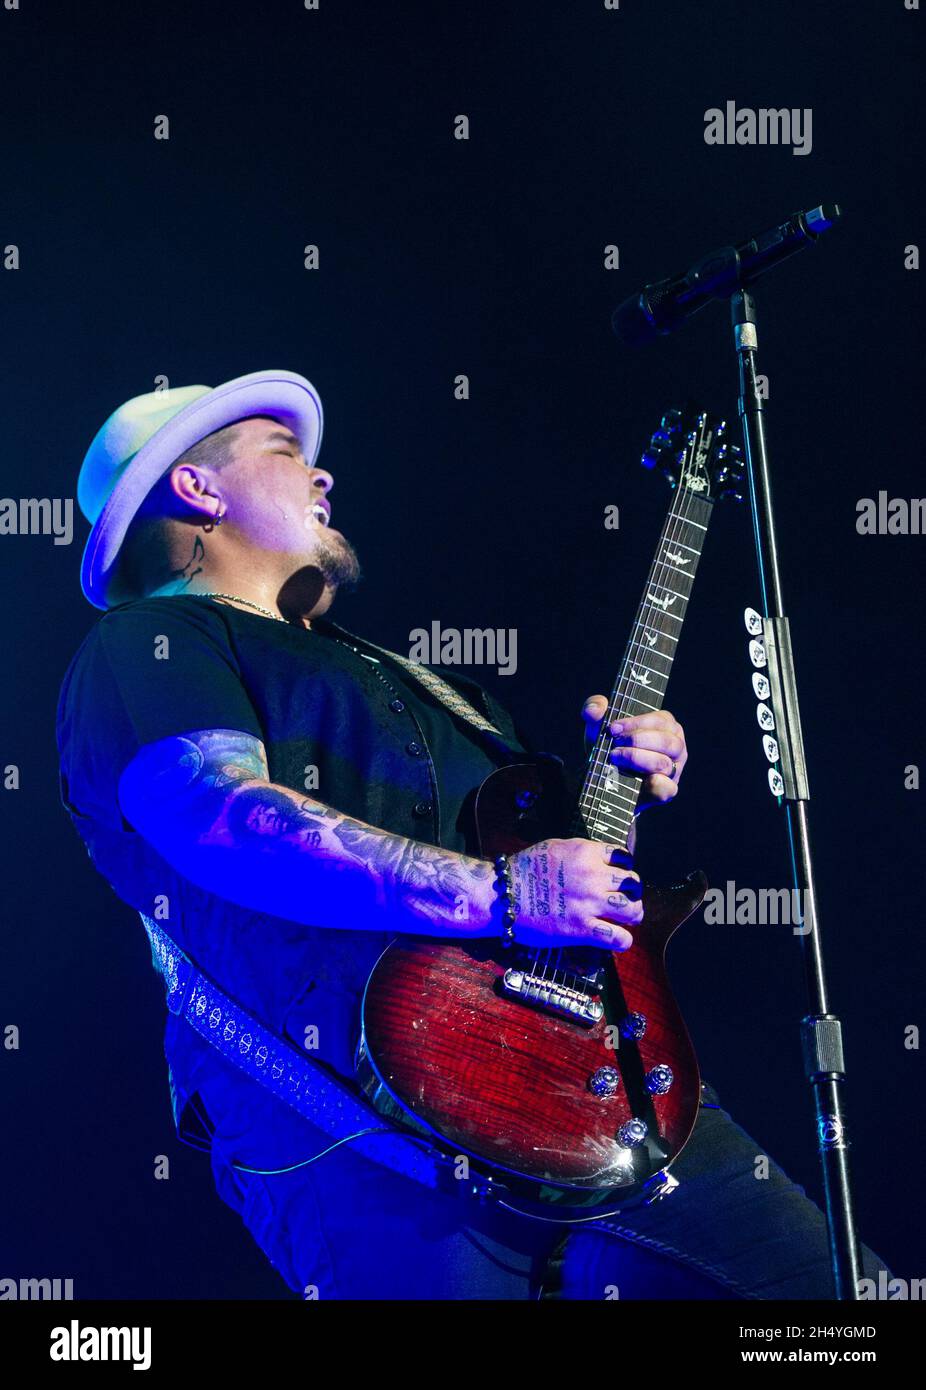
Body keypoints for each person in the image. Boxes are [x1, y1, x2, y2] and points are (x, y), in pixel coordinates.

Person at [57, 369, 887, 1299]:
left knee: (843, 1309)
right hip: (362, 1124)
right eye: (288, 454)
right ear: (198, 490)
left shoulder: (429, 685)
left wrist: (615, 808)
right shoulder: (149, 645)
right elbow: (218, 817)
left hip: (611, 1091)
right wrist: (507, 892)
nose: (324, 477)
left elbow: (560, 891)